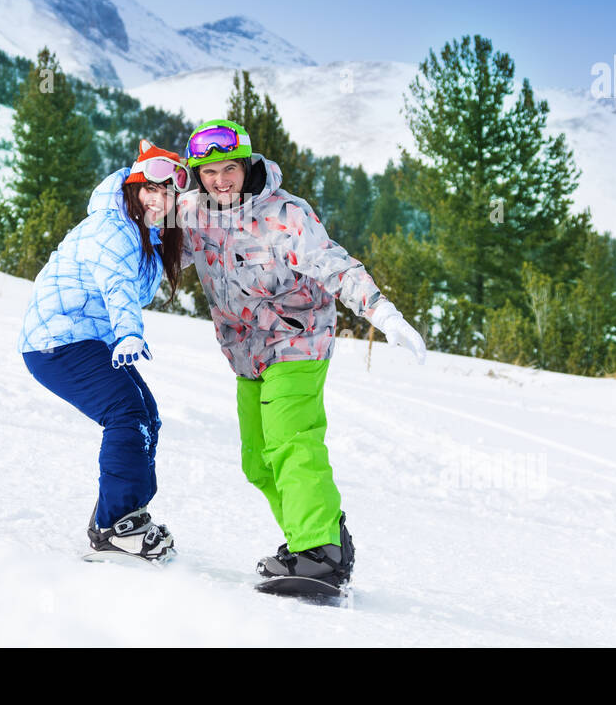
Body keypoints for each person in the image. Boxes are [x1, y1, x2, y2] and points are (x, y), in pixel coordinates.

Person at [176, 118, 427, 587]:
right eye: (208, 172)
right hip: (243, 352)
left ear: (246, 165)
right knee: (258, 461)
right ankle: (315, 537)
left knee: (292, 440)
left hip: (298, 338)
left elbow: (335, 265)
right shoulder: (191, 213)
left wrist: (384, 314)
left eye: (228, 168)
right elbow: (156, 248)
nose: (220, 180)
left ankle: (320, 553)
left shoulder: (286, 215)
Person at [19, 140, 189, 562]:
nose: (160, 199)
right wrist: (130, 333)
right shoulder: (113, 227)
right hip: (57, 339)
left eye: (169, 193)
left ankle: (124, 516)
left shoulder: (149, 235)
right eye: (152, 188)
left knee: (145, 413)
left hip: (85, 338)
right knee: (127, 413)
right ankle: (115, 524)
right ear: (134, 187)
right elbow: (117, 285)